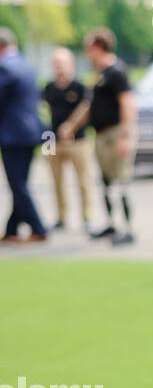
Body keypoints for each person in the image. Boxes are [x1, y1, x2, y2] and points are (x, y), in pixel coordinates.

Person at [58, 28, 136, 246]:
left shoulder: (117, 72)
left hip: (116, 133)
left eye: (89, 49)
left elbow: (128, 103)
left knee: (121, 180)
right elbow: (89, 106)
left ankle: (127, 228)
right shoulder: (100, 75)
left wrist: (126, 136)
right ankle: (112, 223)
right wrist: (71, 126)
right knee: (107, 181)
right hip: (101, 135)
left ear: (98, 48)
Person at [0, 26, 48, 244]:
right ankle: (11, 229)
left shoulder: (5, 68)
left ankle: (39, 228)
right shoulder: (26, 66)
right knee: (20, 183)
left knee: (18, 185)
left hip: (13, 135)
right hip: (29, 132)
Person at [43, 47, 94, 233]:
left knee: (83, 180)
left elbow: (87, 110)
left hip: (78, 140)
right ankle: (61, 216)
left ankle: (87, 216)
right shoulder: (48, 88)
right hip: (52, 140)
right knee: (56, 181)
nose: (59, 68)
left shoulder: (80, 88)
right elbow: (44, 113)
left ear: (70, 65)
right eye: (55, 64)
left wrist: (71, 127)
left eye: (62, 63)